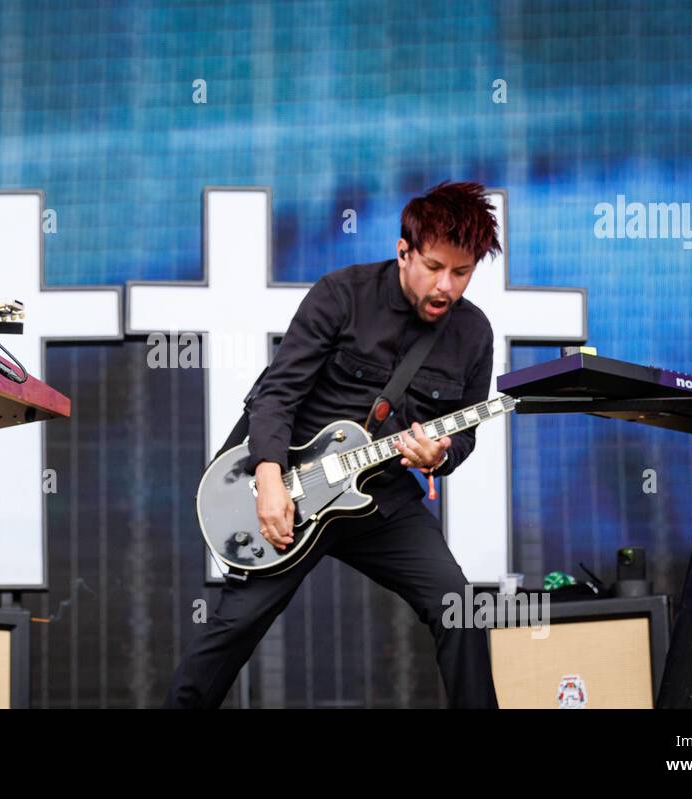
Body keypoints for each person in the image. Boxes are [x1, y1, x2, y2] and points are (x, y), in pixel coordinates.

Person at [166, 182, 502, 708]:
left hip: (381, 499)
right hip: (297, 493)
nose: (446, 286)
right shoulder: (341, 294)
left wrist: (439, 455)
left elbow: (464, 435)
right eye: (434, 267)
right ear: (403, 251)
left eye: (461, 273)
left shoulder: (473, 333)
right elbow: (277, 393)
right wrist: (271, 480)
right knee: (233, 628)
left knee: (458, 607)